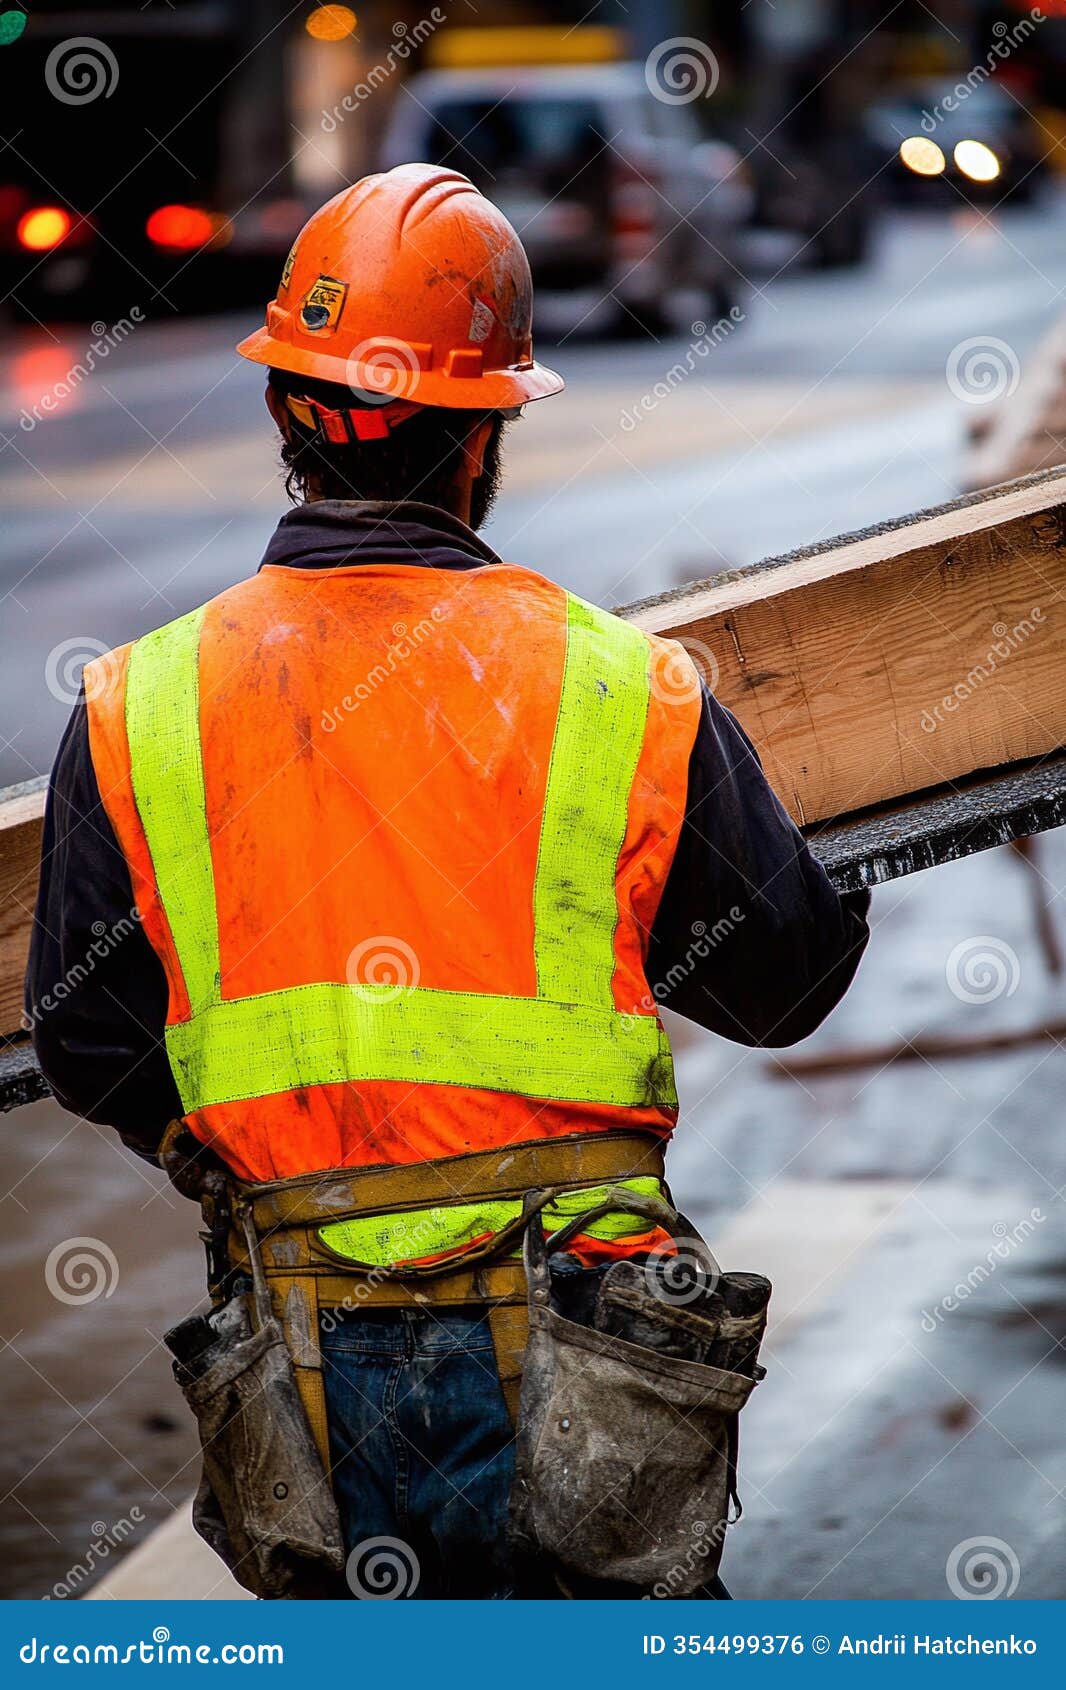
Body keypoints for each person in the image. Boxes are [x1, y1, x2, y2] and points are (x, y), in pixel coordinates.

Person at [27, 164, 870, 1599]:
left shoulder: (136, 705)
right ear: (485, 431)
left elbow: (90, 1040)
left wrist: (270, 1143)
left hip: (308, 1366)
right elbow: (785, 979)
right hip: (591, 1349)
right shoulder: (623, 688)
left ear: (287, 412)